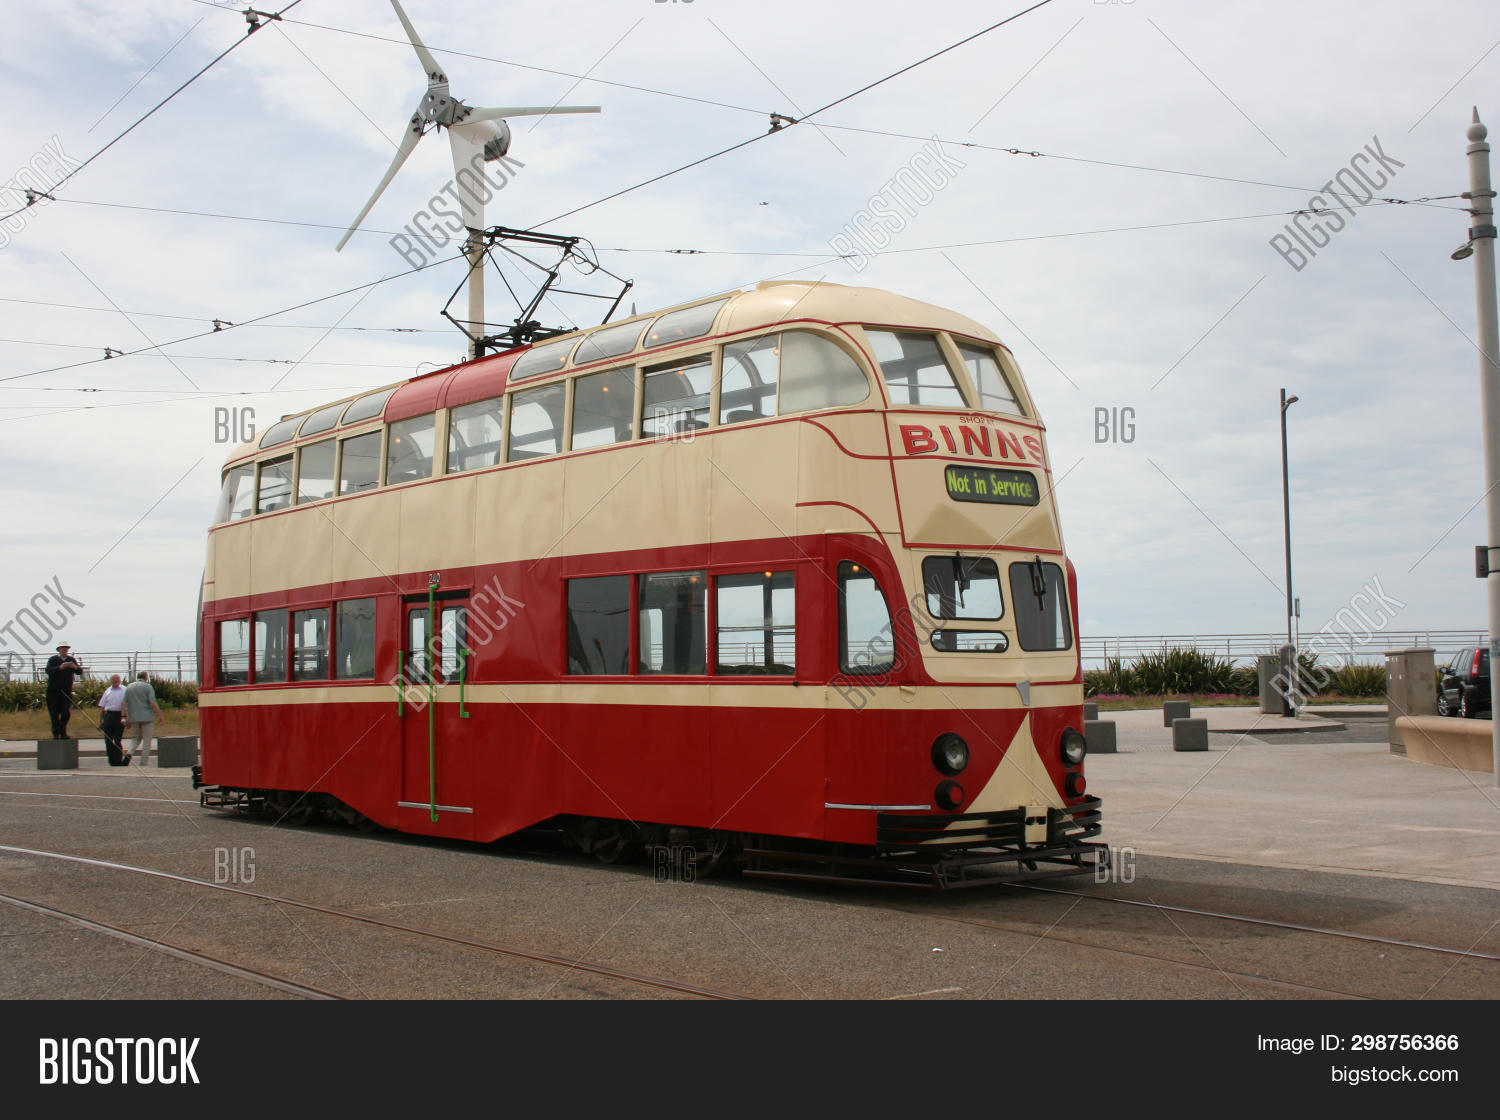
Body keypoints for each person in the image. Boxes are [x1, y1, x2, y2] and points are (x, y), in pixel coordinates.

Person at [44, 643, 85, 739]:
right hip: (53, 691)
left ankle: (63, 731)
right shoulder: (53, 659)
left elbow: (79, 671)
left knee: (65, 713)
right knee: (54, 713)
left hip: (66, 691)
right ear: (59, 649)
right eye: (63, 648)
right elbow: (48, 670)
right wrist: (59, 668)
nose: (65, 650)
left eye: (66, 648)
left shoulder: (71, 660)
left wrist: (74, 667)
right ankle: (56, 733)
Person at [123, 671, 162, 764]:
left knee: (135, 738)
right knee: (146, 741)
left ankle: (129, 754)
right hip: (147, 717)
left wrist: (126, 717)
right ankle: (143, 762)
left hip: (134, 717)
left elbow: (124, 703)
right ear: (146, 677)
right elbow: (153, 703)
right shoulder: (148, 687)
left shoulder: (129, 687)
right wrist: (160, 715)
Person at [97, 673, 128, 766]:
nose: (116, 680)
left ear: (120, 680)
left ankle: (118, 760)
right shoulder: (107, 691)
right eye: (114, 679)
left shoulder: (125, 690)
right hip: (109, 716)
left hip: (120, 715)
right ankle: (112, 761)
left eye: (117, 679)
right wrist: (100, 721)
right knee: (108, 739)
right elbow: (102, 707)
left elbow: (128, 705)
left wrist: (126, 718)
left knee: (117, 740)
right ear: (111, 681)